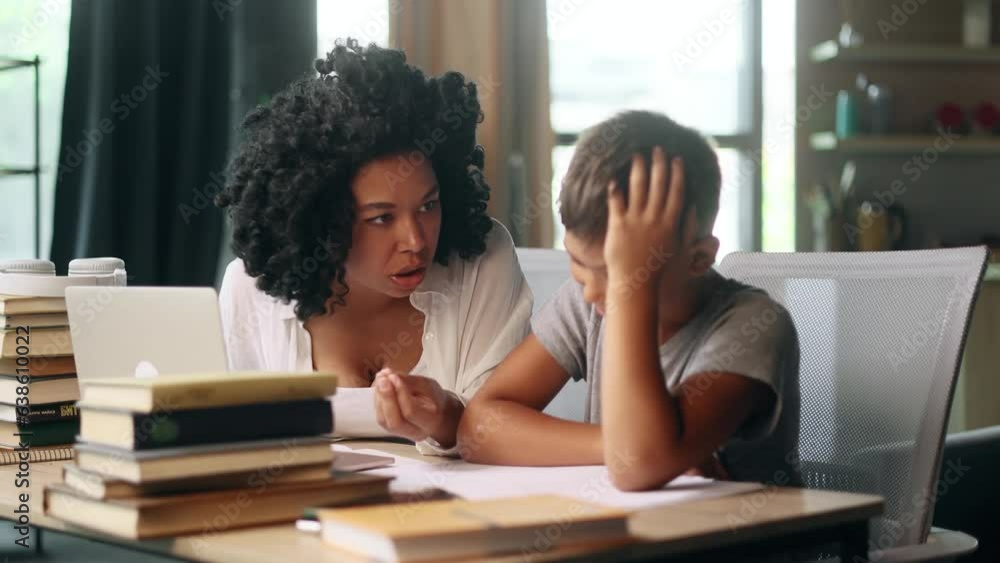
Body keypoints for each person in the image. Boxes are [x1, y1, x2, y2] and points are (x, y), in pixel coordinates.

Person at [215, 39, 532, 455]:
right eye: (381, 218)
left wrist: (447, 418)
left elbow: (509, 430)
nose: (416, 240)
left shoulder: (483, 262)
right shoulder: (252, 289)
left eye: (428, 205)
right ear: (322, 219)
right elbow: (234, 440)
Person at [458, 110, 800, 489]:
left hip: (737, 544)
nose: (591, 291)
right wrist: (612, 444)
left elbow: (635, 469)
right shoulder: (589, 302)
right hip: (629, 538)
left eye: (625, 271)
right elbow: (478, 427)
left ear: (698, 259)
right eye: (578, 263)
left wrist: (629, 288)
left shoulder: (754, 326)